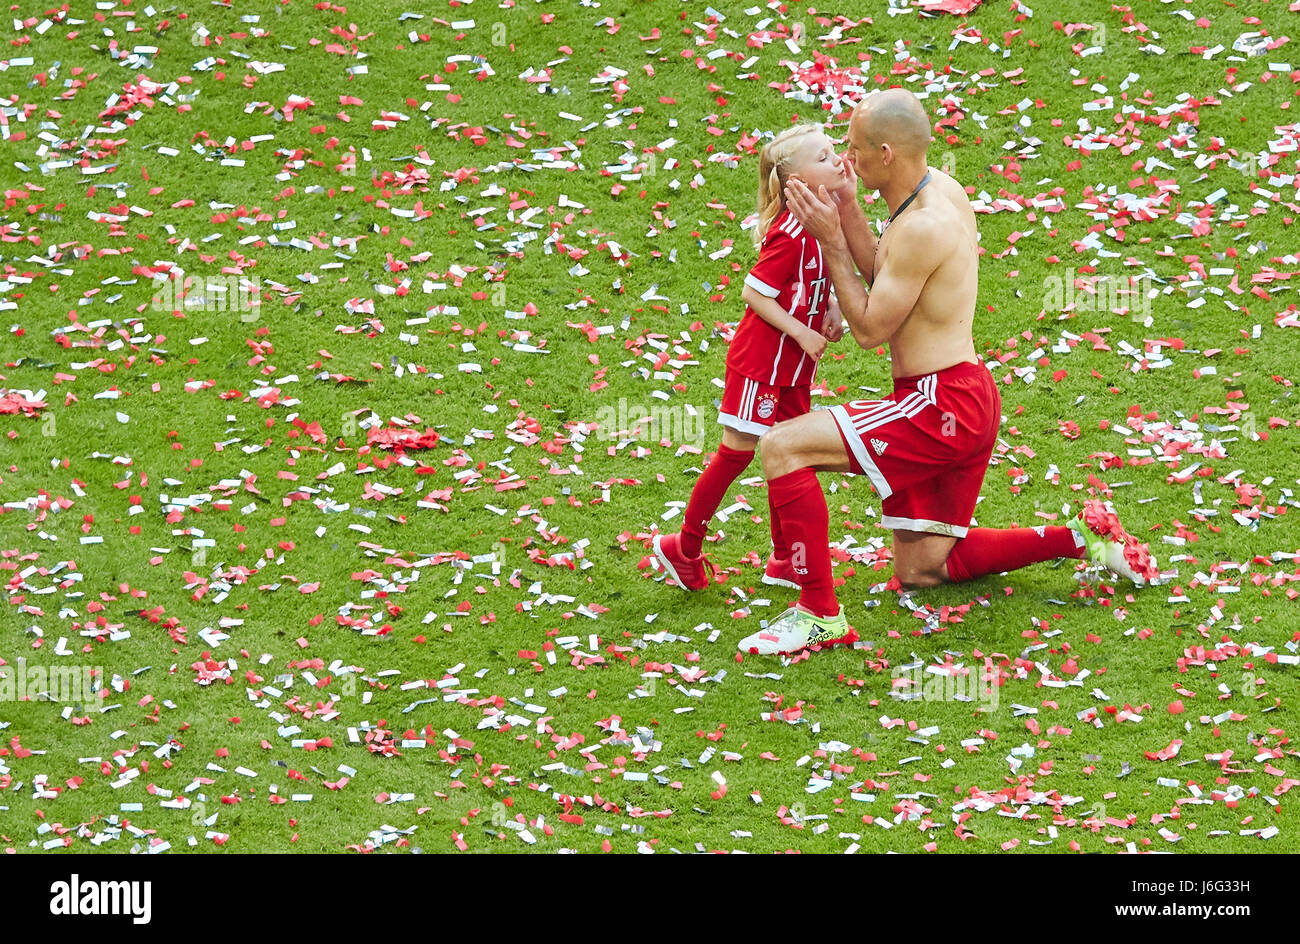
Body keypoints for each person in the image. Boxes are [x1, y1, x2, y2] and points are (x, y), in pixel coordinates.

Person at [739, 89, 1158, 657]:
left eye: (854, 148)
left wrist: (831, 237)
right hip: (963, 395)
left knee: (782, 447)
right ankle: (1080, 538)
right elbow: (885, 270)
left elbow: (867, 329)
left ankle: (817, 613)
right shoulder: (936, 193)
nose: (845, 157)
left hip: (940, 404)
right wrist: (848, 207)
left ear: (885, 153)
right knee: (923, 570)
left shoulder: (922, 227)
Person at [653, 124, 847, 591]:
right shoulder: (790, 233)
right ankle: (683, 547)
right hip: (761, 366)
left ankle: (783, 560)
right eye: (822, 156)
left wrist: (834, 309)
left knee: (794, 457)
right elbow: (755, 294)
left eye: (834, 151)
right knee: (735, 456)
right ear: (796, 181)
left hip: (793, 369)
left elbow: (822, 278)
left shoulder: (824, 217)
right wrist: (801, 331)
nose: (838, 159)